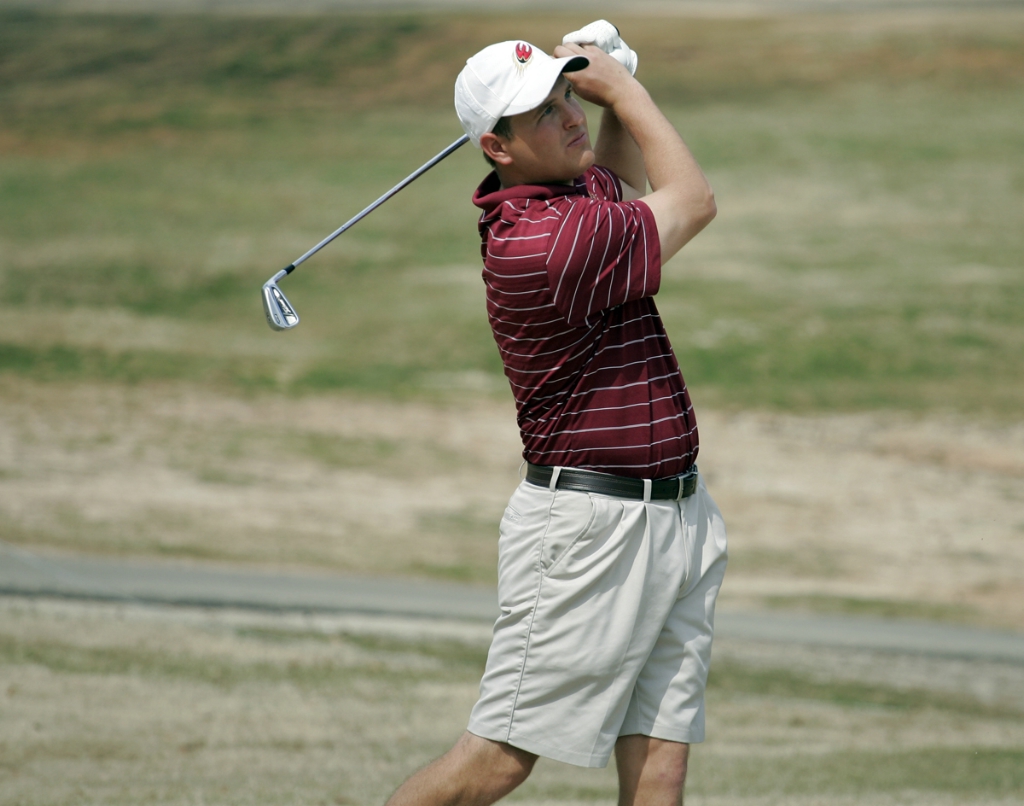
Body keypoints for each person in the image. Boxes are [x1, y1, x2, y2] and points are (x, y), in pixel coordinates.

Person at [385, 23, 727, 806]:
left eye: (566, 94)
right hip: (588, 528)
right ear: (496, 148)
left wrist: (609, 88)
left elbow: (614, 173)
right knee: (498, 761)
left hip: (675, 513)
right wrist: (625, 89)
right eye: (544, 112)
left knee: (662, 762)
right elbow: (693, 201)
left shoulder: (571, 199)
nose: (569, 115)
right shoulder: (543, 242)